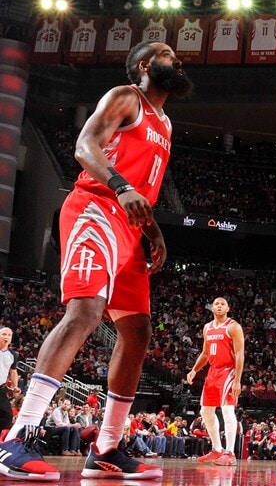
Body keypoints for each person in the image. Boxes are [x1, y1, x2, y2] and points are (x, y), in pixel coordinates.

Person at [0, 41, 190, 481]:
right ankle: (18, 437)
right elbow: (86, 147)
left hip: (128, 226)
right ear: (144, 65)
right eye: (165, 54)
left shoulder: (166, 122)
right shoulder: (126, 97)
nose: (176, 59)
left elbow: (144, 191)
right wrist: (122, 186)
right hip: (95, 208)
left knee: (138, 332)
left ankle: (107, 447)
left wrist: (153, 229)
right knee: (85, 313)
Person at [185, 296, 245, 466]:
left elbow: (240, 354)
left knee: (227, 411)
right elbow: (205, 353)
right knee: (206, 412)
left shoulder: (233, 326)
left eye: (223, 304)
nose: (219, 306)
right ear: (211, 308)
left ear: (228, 308)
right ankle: (217, 449)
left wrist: (238, 380)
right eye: (216, 304)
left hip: (228, 371)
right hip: (212, 372)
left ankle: (230, 452)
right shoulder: (207, 327)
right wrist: (194, 370)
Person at [0, 327, 20, 438]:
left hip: (1, 389)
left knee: (7, 416)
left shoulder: (12, 354)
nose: (6, 337)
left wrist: (15, 386)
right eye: (4, 334)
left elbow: (13, 372)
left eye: (9, 335)